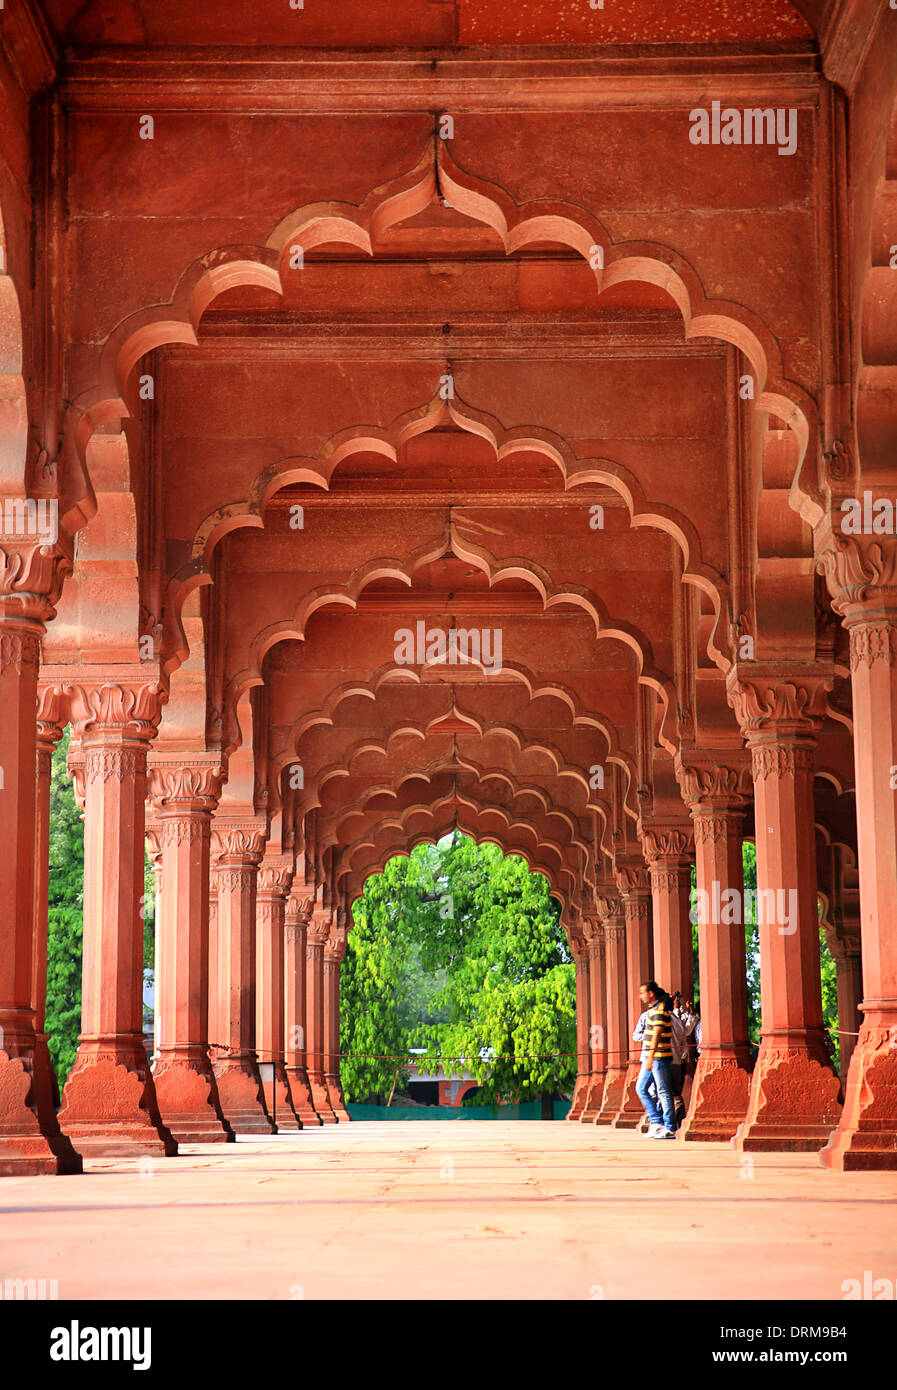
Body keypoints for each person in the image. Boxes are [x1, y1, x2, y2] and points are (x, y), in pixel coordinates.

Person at [634, 979, 678, 1138]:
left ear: (650, 993)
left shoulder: (660, 1010)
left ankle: (670, 1127)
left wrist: (651, 1056)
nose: (641, 996)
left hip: (658, 1057)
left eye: (642, 993)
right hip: (651, 1057)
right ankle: (656, 1122)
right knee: (641, 1088)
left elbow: (657, 1035)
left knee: (663, 1091)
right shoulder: (653, 1010)